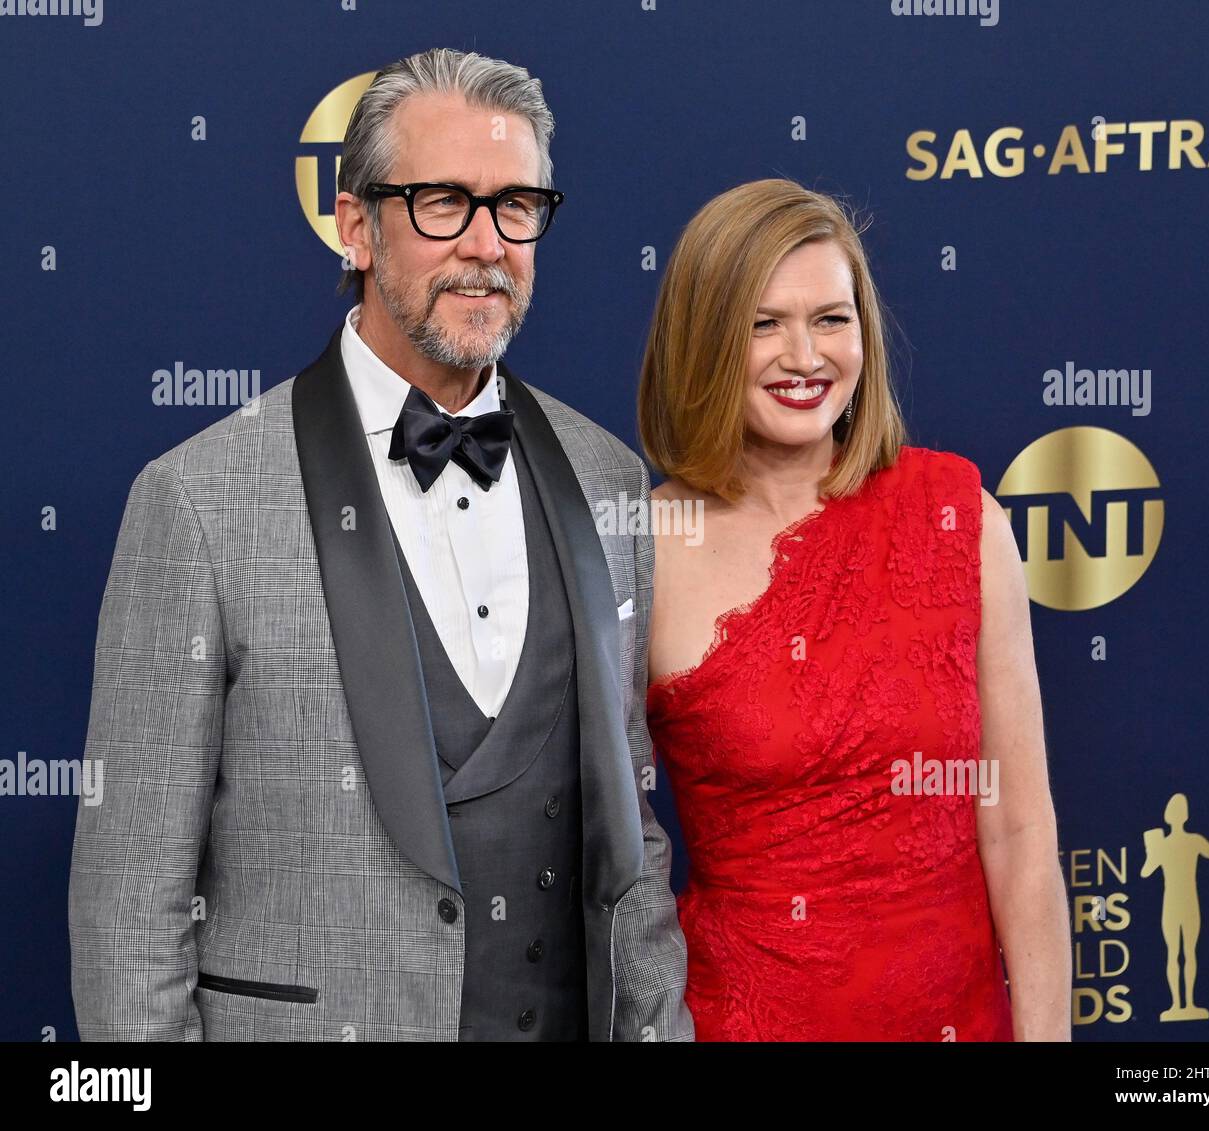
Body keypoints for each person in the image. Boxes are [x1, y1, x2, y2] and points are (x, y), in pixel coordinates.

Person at [68, 47, 692, 1042]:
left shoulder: (607, 478)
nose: (485, 244)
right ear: (355, 227)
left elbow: (629, 839)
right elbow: (127, 911)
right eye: (442, 203)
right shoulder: (195, 502)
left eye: (516, 206)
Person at [638, 178, 1070, 1041]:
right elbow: (606, 854)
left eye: (831, 319)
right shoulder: (641, 548)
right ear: (706, 340)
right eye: (764, 323)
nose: (805, 355)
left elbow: (1020, 831)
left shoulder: (958, 514)